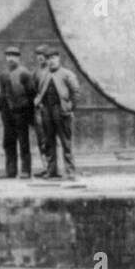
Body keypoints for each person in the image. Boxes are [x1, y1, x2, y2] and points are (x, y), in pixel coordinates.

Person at [34, 48, 82, 179]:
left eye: (53, 58)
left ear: (59, 58)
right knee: (49, 142)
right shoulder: (43, 75)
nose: (51, 61)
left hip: (61, 111)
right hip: (47, 112)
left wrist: (70, 108)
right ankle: (51, 170)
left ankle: (70, 172)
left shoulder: (67, 74)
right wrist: (38, 103)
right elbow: (38, 91)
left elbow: (76, 93)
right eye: (48, 59)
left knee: (66, 142)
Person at [0, 46, 36, 178]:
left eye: (13, 56)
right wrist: (2, 112)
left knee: (23, 143)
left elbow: (31, 94)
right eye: (8, 56)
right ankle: (11, 171)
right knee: (9, 143)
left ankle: (26, 170)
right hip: (7, 114)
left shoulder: (24, 73)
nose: (10, 59)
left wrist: (30, 115)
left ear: (18, 58)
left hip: (21, 113)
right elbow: (2, 95)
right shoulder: (3, 75)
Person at [32, 44, 53, 175]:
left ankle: (53, 168)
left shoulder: (53, 71)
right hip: (39, 110)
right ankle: (46, 167)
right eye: (38, 56)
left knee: (51, 139)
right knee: (42, 140)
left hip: (52, 109)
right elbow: (33, 91)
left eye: (43, 56)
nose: (40, 58)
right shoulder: (35, 72)